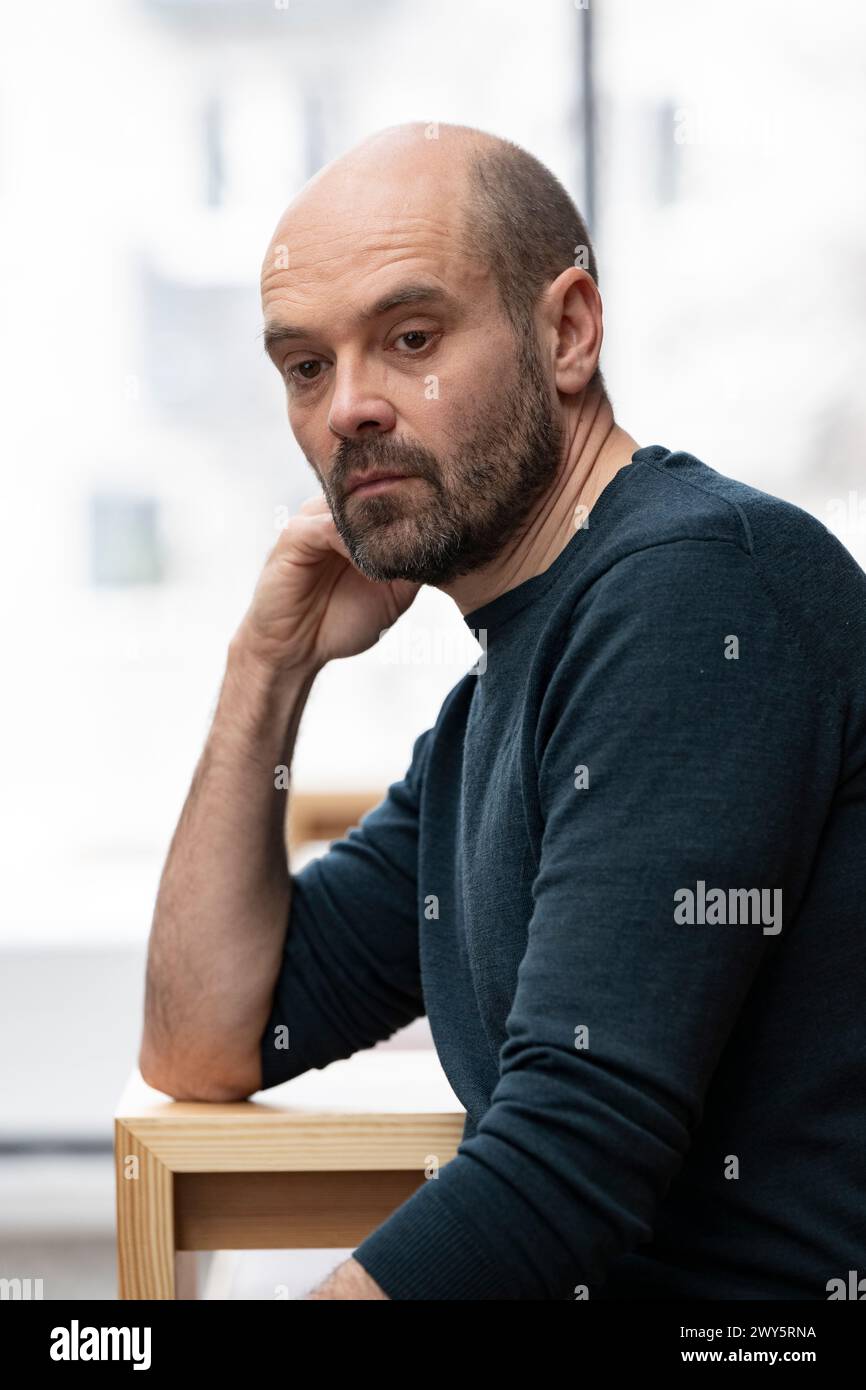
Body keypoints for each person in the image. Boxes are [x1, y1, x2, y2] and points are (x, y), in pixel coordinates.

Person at [139, 122, 866, 1301]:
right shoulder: (499, 693)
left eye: (409, 338)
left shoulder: (694, 594)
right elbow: (208, 1040)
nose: (348, 408)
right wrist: (265, 668)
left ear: (565, 331)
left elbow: (566, 1161)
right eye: (306, 367)